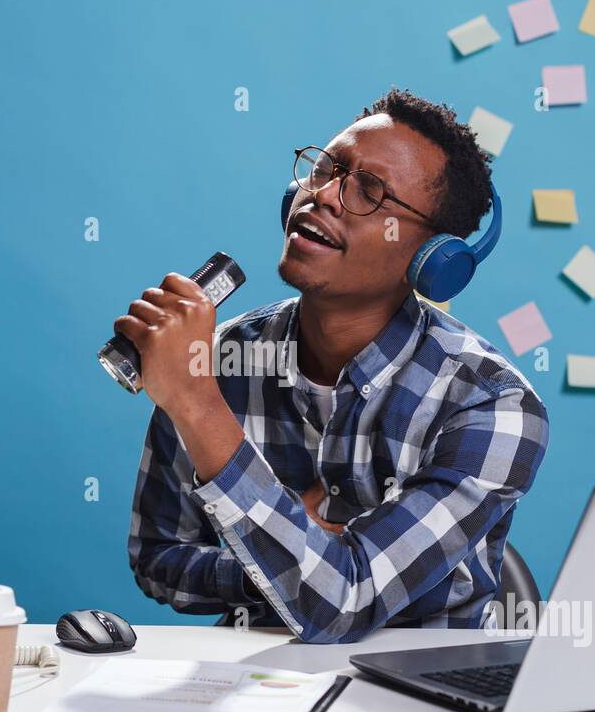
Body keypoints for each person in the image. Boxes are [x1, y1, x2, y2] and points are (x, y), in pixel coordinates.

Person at [120, 88, 549, 644]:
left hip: (422, 699)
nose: (321, 195)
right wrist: (294, 553)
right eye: (324, 168)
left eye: (369, 191)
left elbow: (347, 601)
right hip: (256, 687)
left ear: (433, 261)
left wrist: (199, 407)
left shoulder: (492, 403)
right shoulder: (213, 360)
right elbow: (158, 559)